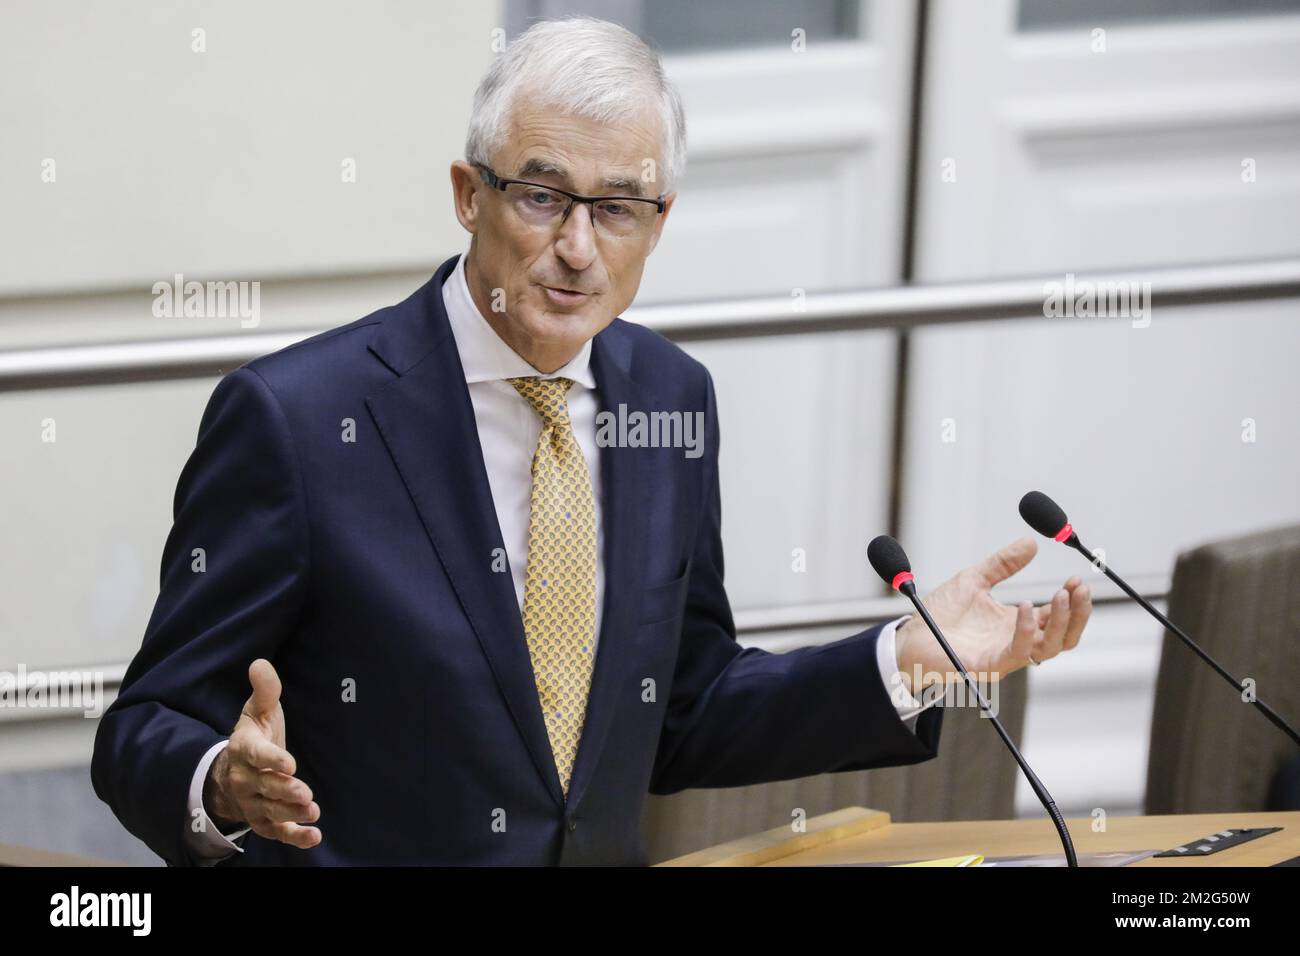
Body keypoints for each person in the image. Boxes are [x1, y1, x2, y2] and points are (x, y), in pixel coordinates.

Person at [92, 16, 1091, 866]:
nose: (577, 247)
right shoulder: (299, 419)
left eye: (616, 207)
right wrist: (222, 783)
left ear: (657, 224)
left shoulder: (669, 397)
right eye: (540, 196)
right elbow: (140, 725)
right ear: (466, 194)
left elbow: (682, 707)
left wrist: (902, 661)